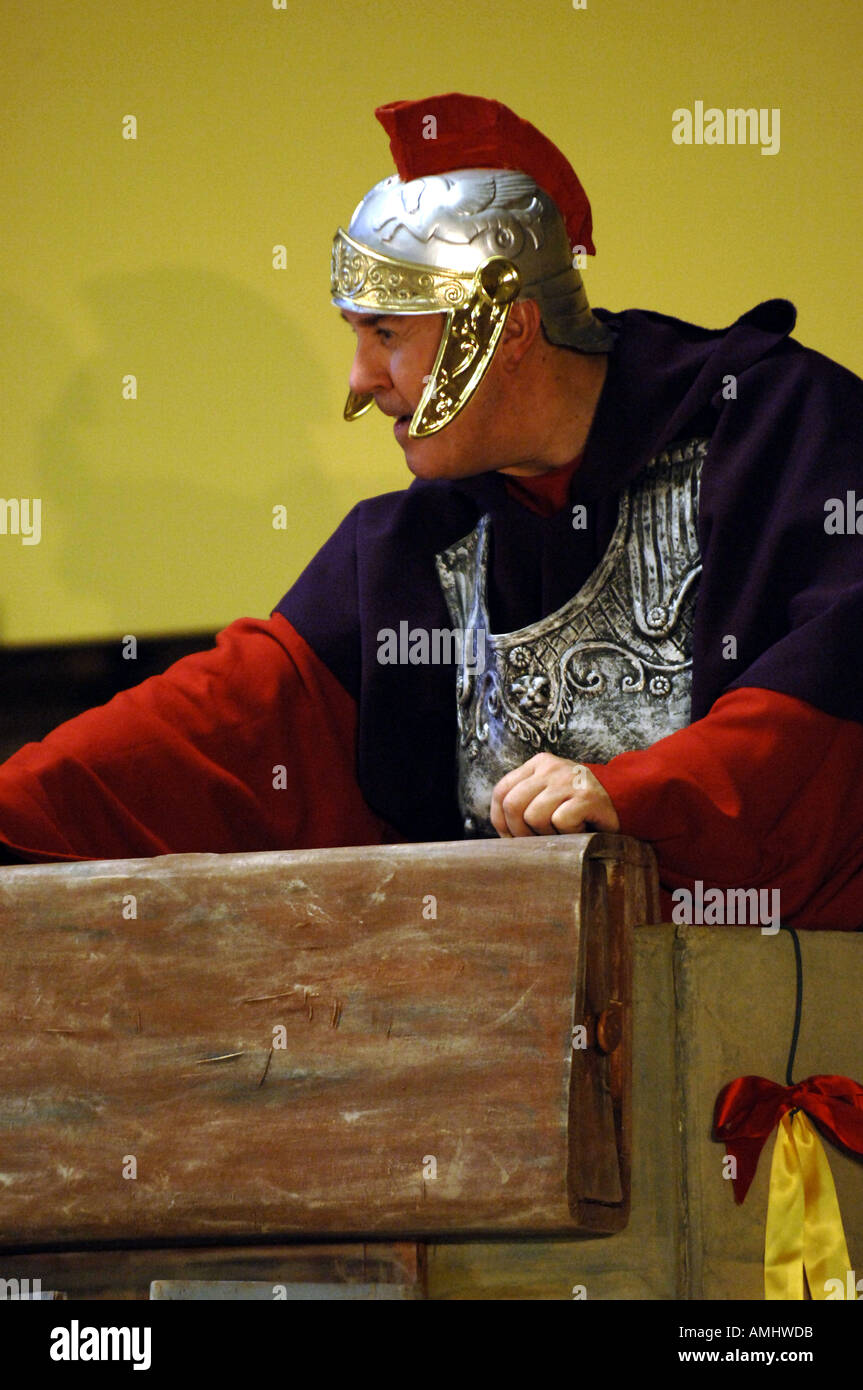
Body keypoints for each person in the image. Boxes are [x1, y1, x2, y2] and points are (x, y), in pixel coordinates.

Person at [1, 92, 861, 931]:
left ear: (510, 329)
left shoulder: (777, 430)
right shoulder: (407, 547)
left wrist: (635, 793)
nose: (359, 381)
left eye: (385, 335)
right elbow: (208, 730)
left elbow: (829, 695)